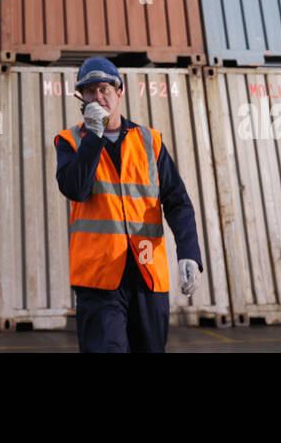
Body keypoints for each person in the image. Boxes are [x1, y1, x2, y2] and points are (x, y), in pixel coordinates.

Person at [54, 56, 202, 353]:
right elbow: (76, 189)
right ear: (80, 98)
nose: (98, 97)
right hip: (98, 280)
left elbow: (178, 202)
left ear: (119, 92)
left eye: (105, 89)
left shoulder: (150, 141)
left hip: (147, 277)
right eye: (90, 91)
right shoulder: (70, 141)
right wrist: (93, 136)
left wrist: (188, 252)